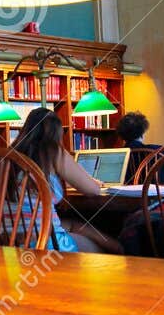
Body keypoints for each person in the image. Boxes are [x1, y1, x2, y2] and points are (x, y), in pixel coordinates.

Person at [11, 108, 122, 254]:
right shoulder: (53, 151)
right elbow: (93, 190)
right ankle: (122, 251)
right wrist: (90, 180)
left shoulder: (9, 155)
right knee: (105, 251)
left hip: (9, 239)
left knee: (75, 224)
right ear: (56, 133)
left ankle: (119, 247)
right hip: (44, 241)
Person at [116, 111, 156, 180]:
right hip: (152, 190)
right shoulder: (157, 150)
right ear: (142, 133)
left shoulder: (117, 155)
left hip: (125, 189)